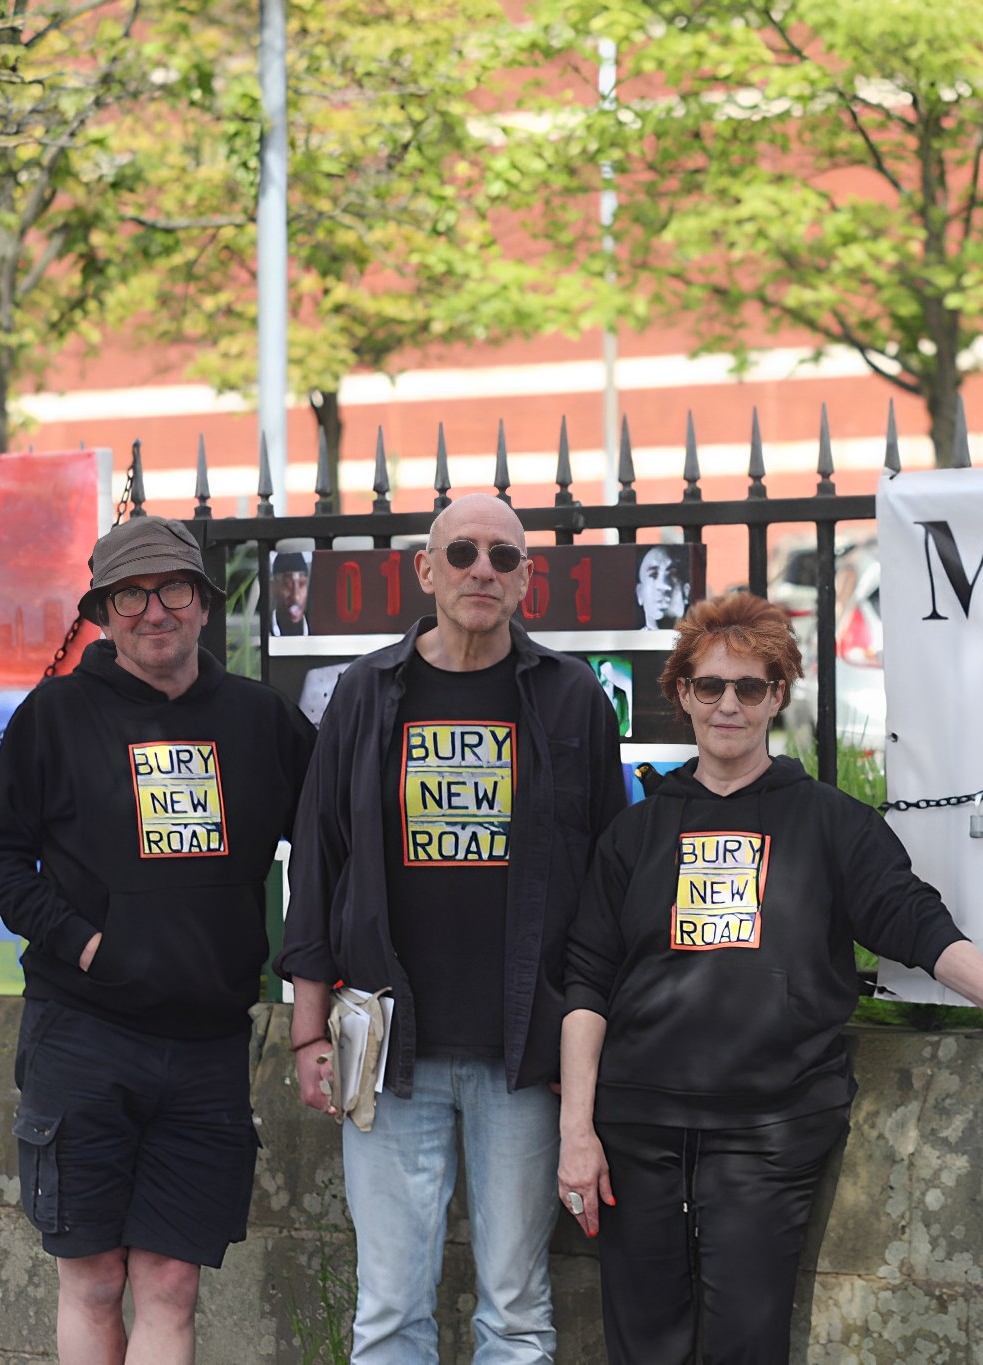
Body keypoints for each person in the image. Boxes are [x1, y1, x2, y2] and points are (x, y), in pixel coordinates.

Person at [555, 593, 983, 1363]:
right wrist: (577, 1132)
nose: (729, 703)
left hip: (769, 1132)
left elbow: (917, 924)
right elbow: (588, 982)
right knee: (642, 1346)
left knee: (745, 1346)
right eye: (710, 685)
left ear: (778, 696)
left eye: (750, 686)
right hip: (636, 1134)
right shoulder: (634, 833)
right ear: (681, 694)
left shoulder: (829, 822)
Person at [278, 493, 628, 1364]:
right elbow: (318, 863)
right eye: (463, 553)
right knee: (390, 1308)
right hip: (388, 1045)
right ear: (427, 571)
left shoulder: (571, 698)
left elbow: (604, 879)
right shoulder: (365, 692)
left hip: (526, 1051)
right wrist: (306, 1029)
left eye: (504, 558)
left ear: (525, 582)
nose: (484, 570)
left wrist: (584, 1044)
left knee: (515, 1310)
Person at [0, 514, 314, 1365]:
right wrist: (83, 942)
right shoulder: (56, 715)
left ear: (203, 603)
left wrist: (315, 985)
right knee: (92, 1278)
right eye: (130, 595)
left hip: (207, 1044)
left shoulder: (260, 721)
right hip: (82, 1033)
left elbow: (338, 842)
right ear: (105, 612)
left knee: (170, 1281)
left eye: (173, 590)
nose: (154, 611)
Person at [634, 543, 689, 630]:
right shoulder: (628, 642)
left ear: (686, 591)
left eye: (672, 574)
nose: (663, 585)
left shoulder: (701, 641)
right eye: (653, 574)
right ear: (640, 594)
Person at [269, 550, 311, 636]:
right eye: (287, 585)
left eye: (302, 583)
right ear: (273, 587)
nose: (296, 597)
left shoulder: (319, 633)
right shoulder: (259, 632)